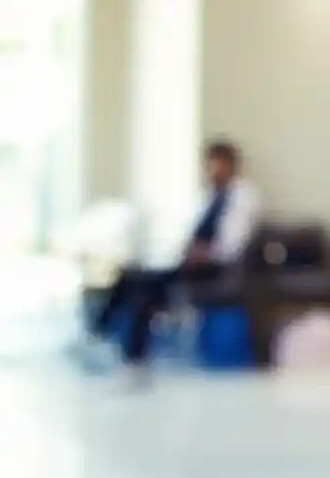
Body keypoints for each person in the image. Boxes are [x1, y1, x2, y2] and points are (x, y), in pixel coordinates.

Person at [86, 139, 261, 380]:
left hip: (216, 269)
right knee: (131, 275)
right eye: (209, 166)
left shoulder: (244, 196)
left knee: (143, 290)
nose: (213, 171)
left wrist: (203, 253)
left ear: (232, 165)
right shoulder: (208, 196)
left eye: (218, 165)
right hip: (191, 262)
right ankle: (104, 335)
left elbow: (231, 247)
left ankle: (124, 352)